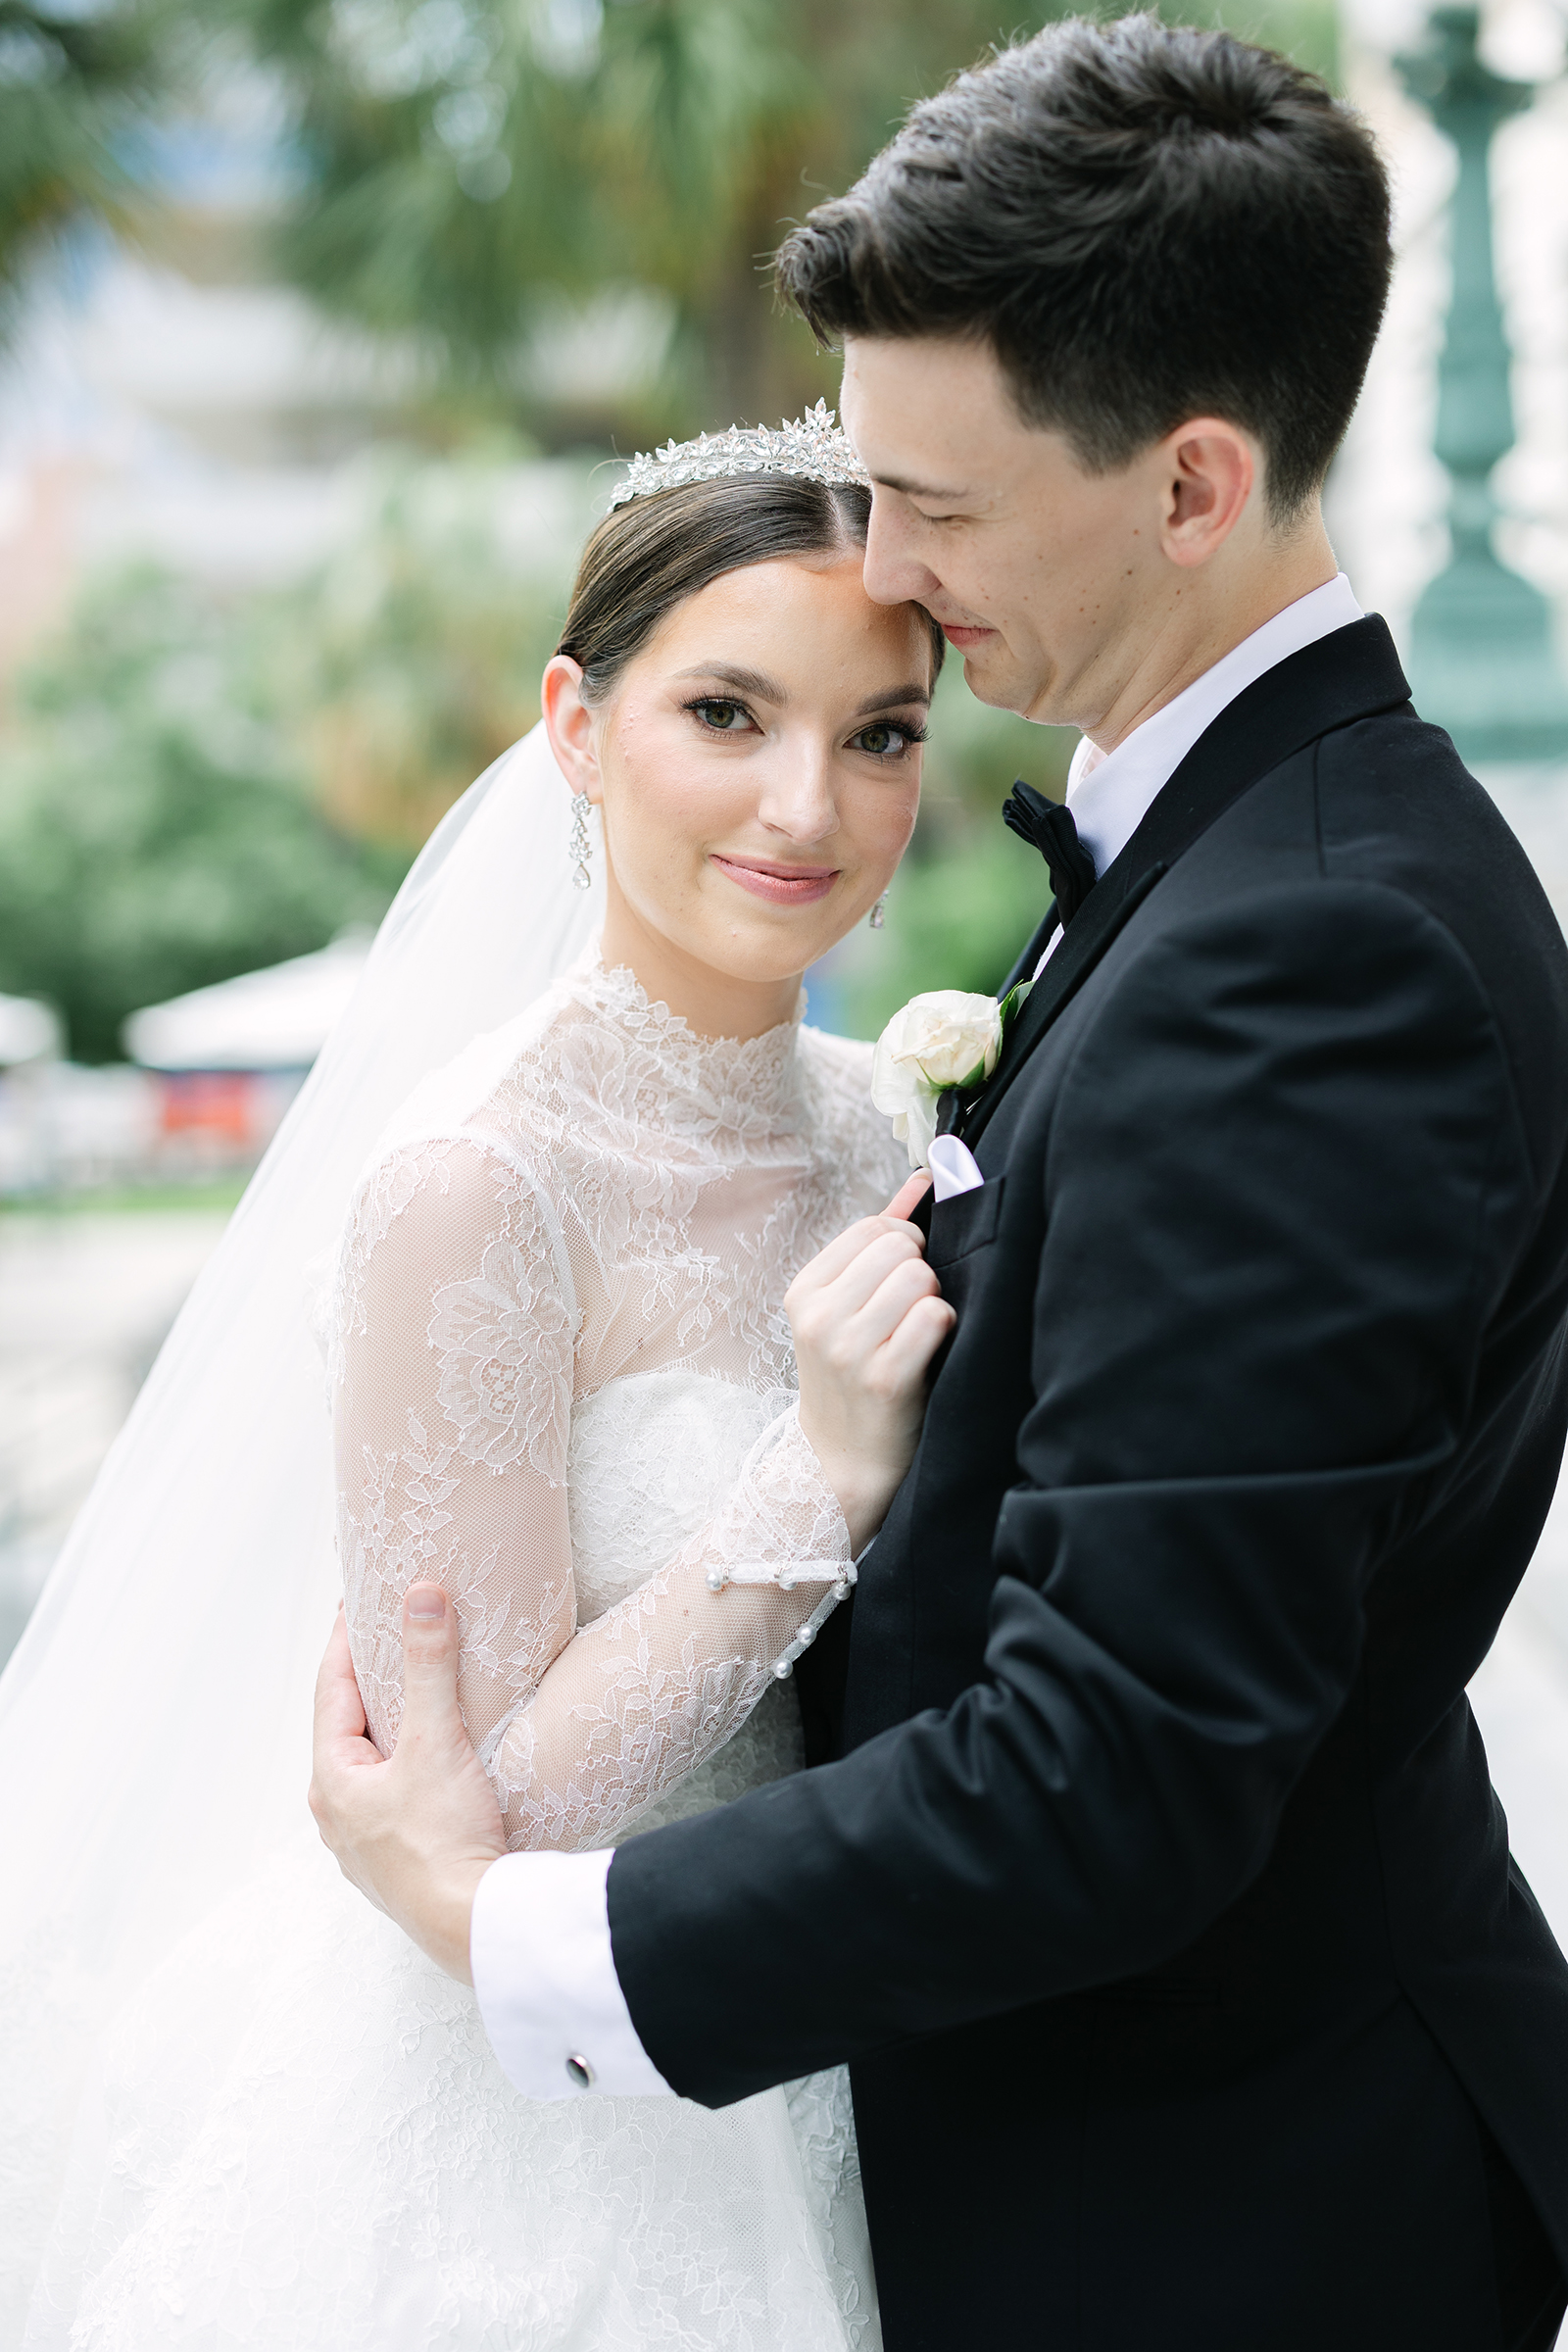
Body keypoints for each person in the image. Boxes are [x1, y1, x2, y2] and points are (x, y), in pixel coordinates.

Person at [312, 19, 1568, 2352]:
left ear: (1190, 486)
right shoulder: (1227, 863)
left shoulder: (1311, 950)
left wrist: (504, 1929)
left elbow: (1112, 1764)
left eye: (937, 508)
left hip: (1208, 2218)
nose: (874, 564)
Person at [3, 429, 957, 2347]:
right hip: (546, 2138)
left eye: (879, 732)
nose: (807, 802)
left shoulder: (891, 1131)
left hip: (845, 2045)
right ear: (575, 727)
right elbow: (487, 1817)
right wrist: (817, 1483)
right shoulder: (476, 1186)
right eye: (724, 710)